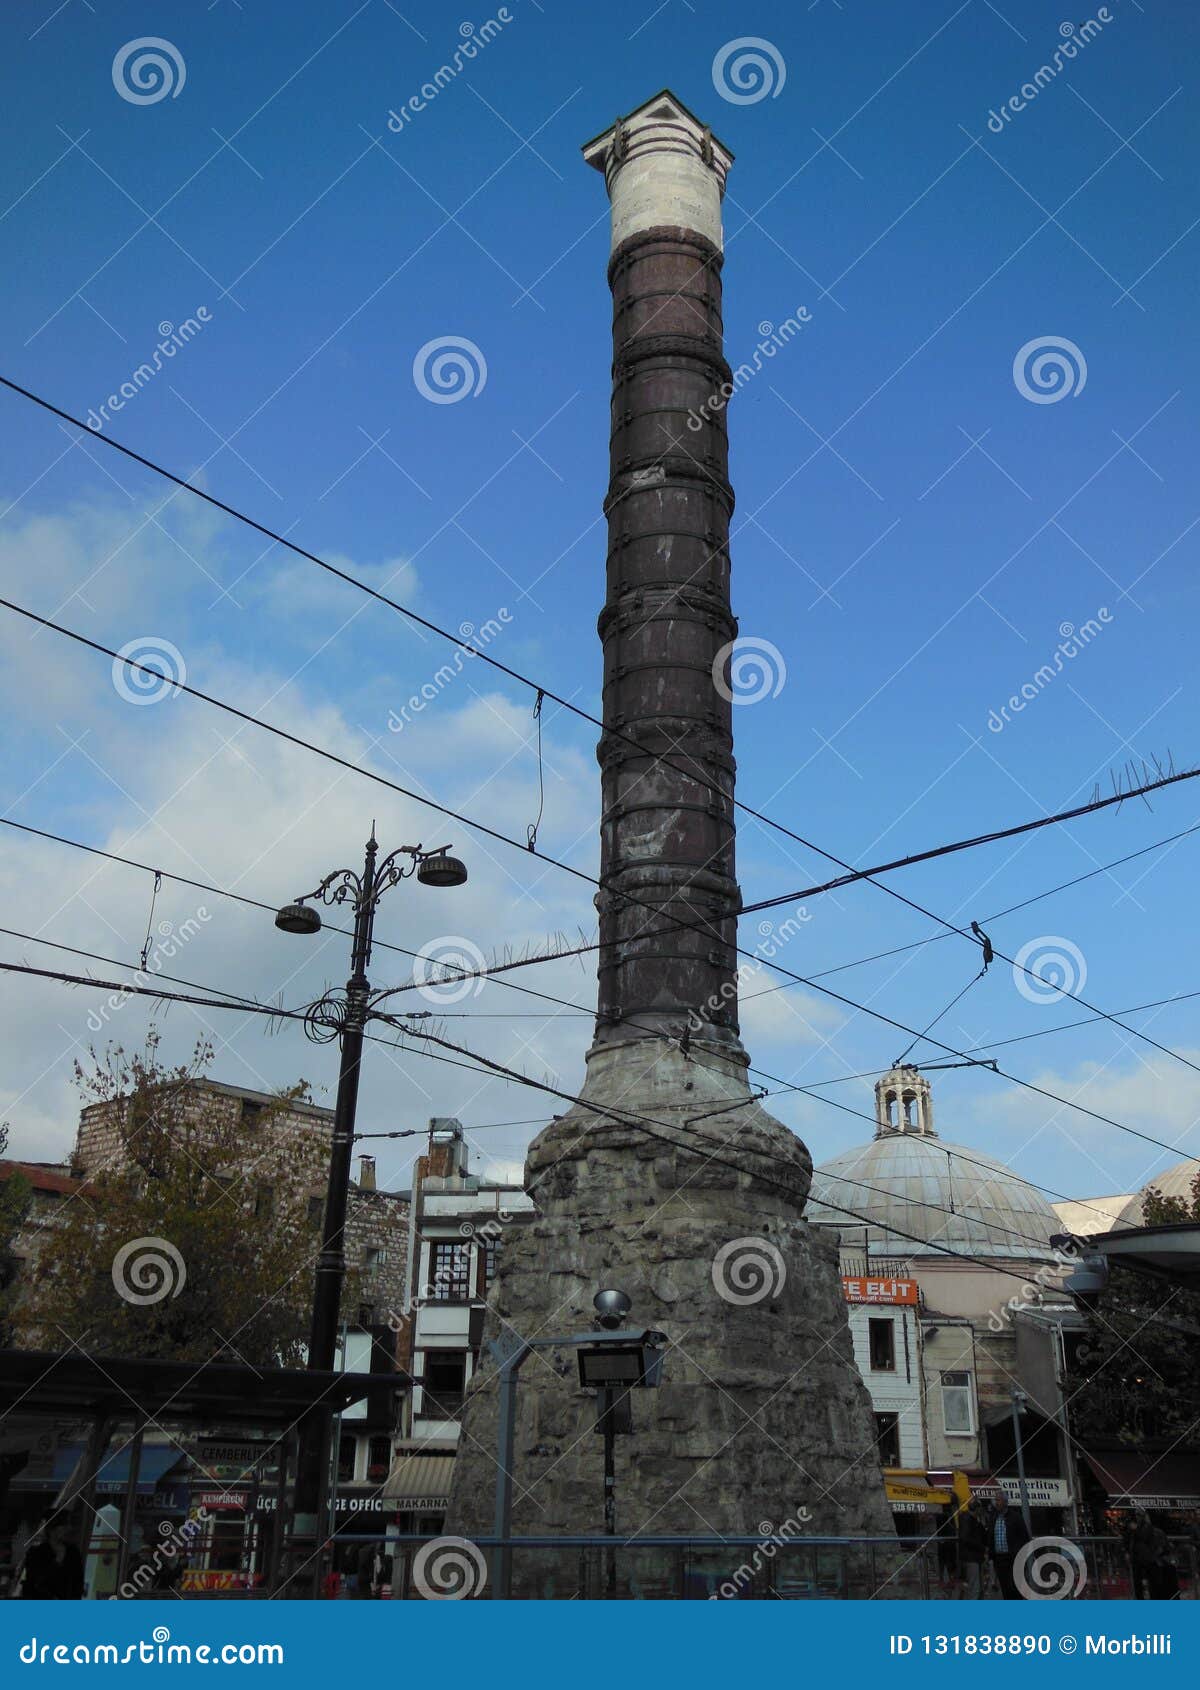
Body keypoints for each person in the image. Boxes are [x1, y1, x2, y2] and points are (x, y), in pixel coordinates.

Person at [21, 1519, 85, 1599]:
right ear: (51, 1530)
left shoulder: (73, 1552)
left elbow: (78, 1583)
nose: (69, 1529)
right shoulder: (36, 1553)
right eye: (63, 1526)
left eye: (69, 1525)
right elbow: (36, 1582)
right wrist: (57, 1562)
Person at [988, 1493, 1030, 1600]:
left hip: (1013, 1557)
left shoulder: (1015, 1517)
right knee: (1005, 1586)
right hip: (999, 1558)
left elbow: (1024, 1537)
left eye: (999, 1500)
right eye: (996, 1500)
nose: (996, 1503)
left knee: (1016, 1586)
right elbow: (990, 1536)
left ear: (1006, 1502)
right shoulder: (993, 1518)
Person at [1131, 1515, 1167, 1600]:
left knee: (1151, 1584)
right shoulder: (1156, 1531)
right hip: (1148, 1560)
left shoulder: (1143, 1531)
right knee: (1152, 1584)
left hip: (1148, 1560)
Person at [957, 1500, 988, 1599]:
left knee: (977, 1585)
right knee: (975, 1586)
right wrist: (982, 1547)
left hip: (974, 1556)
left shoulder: (973, 1520)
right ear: (977, 1509)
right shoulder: (968, 1520)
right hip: (971, 1557)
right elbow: (966, 1539)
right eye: (980, 1509)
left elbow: (983, 1534)